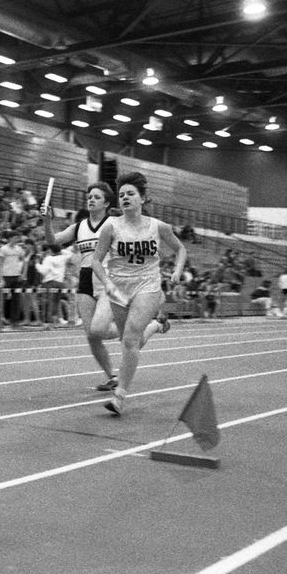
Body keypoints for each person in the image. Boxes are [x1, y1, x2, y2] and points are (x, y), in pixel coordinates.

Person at [43, 183, 171, 391]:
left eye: (96, 197)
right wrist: (47, 221)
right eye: (89, 197)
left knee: (100, 329)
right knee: (92, 336)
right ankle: (111, 376)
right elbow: (53, 241)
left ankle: (151, 326)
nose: (90, 200)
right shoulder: (79, 226)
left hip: (108, 282)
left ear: (107, 203)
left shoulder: (115, 224)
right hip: (85, 281)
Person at [91, 172, 186, 415]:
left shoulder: (157, 226)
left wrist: (177, 270)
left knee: (131, 340)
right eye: (121, 195)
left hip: (148, 285)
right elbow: (96, 261)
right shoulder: (110, 227)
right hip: (118, 287)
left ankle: (119, 397)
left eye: (130, 194)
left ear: (142, 198)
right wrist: (107, 284)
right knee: (128, 342)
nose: (125, 198)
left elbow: (180, 249)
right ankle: (155, 326)